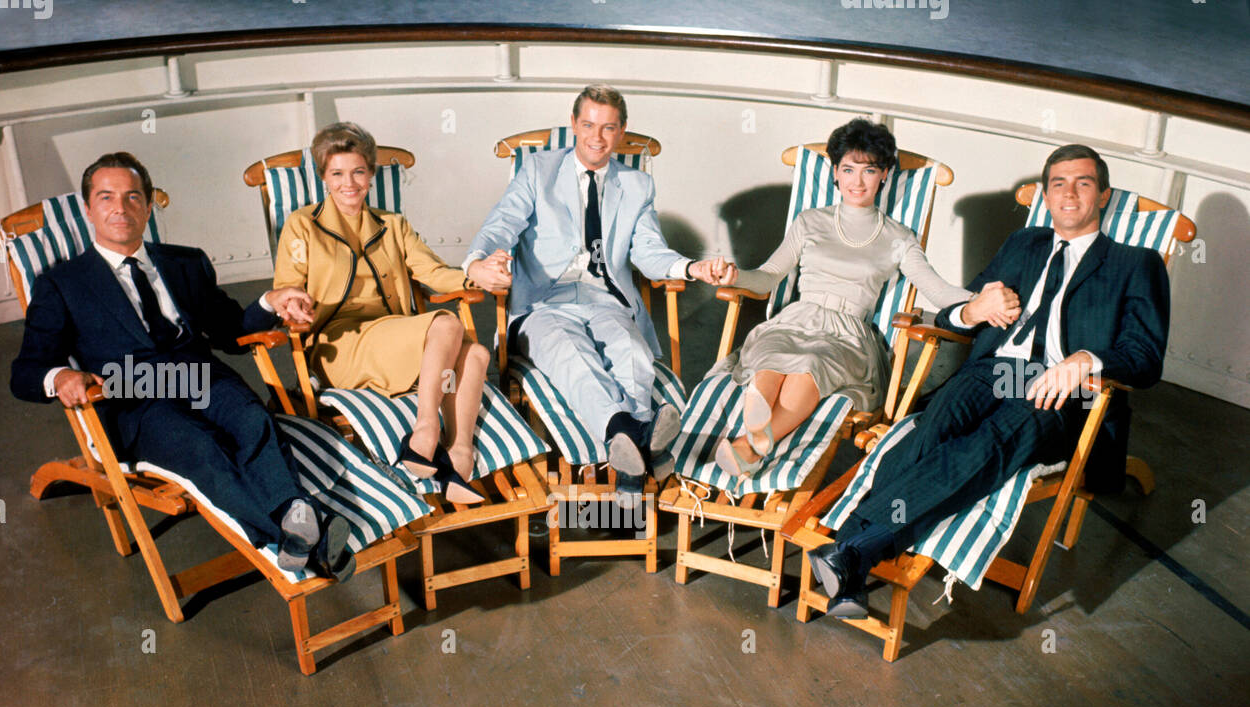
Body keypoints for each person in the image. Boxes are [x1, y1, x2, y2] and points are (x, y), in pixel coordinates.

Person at [811, 144, 1170, 617]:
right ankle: (854, 554)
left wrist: (1087, 359)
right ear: (1045, 194)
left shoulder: (1135, 263)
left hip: (1062, 389)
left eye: (1083, 183)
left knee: (994, 439)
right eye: (1058, 183)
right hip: (995, 371)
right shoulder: (1024, 244)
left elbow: (1145, 359)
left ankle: (856, 546)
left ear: (1102, 195)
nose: (1069, 193)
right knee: (934, 426)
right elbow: (957, 313)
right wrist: (972, 309)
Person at [11, 151, 357, 580]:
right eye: (106, 197)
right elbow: (25, 373)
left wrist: (272, 300)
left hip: (200, 376)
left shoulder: (184, 262)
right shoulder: (61, 284)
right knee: (201, 448)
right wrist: (59, 375)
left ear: (149, 204)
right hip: (129, 396)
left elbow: (229, 333)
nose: (120, 208)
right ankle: (315, 540)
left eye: (133, 197)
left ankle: (296, 531)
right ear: (88, 209)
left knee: (252, 421)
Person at [465, 84, 736, 488]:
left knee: (631, 351)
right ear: (573, 124)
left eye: (608, 128)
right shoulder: (539, 170)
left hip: (606, 299)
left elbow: (648, 252)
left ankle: (627, 456)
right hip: (544, 304)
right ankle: (637, 436)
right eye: (588, 124)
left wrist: (691, 268)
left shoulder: (637, 186)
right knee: (571, 353)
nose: (596, 137)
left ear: (621, 131)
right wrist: (477, 263)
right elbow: (502, 223)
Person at [709, 118, 976, 476]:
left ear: (884, 175)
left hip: (848, 334)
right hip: (796, 319)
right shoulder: (810, 221)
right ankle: (753, 442)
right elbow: (769, 277)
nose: (857, 181)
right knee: (773, 356)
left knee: (810, 365)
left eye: (869, 171)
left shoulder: (898, 237)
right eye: (848, 169)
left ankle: (754, 441)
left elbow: (938, 290)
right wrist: (736, 275)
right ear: (835, 172)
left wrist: (981, 300)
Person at [273, 122, 489, 504]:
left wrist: (474, 276)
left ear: (371, 174)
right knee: (448, 325)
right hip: (337, 345)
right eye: (337, 173)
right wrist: (293, 304)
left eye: (358, 171)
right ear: (324, 177)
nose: (348, 183)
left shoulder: (392, 225)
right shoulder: (303, 225)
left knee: (477, 354)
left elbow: (433, 272)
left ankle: (459, 461)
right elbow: (286, 286)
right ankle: (425, 431)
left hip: (393, 333)